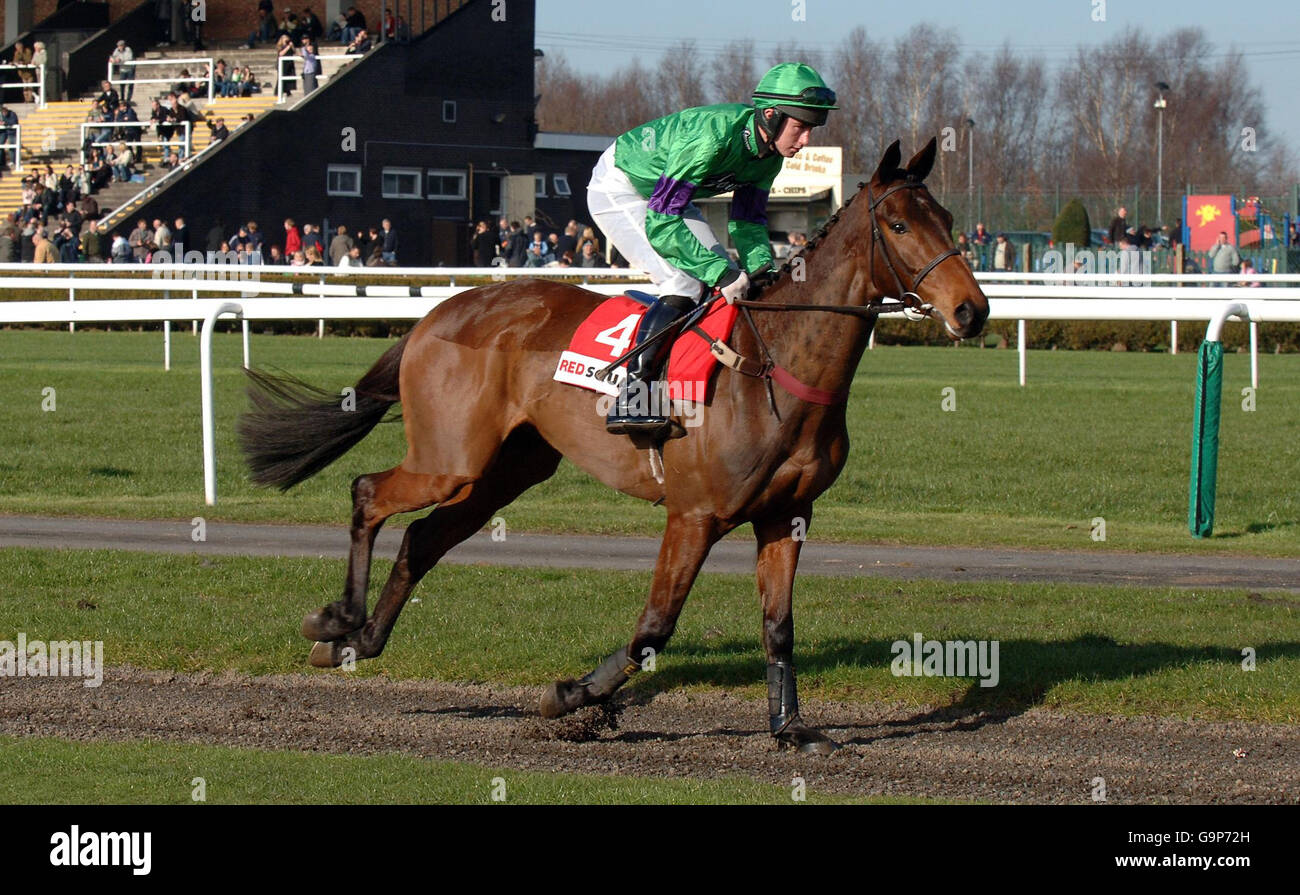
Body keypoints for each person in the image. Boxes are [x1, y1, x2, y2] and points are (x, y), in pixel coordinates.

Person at [586, 61, 837, 434]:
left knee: (728, 283)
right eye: (800, 128)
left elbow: (748, 222)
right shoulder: (712, 137)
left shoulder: (768, 156)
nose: (805, 141)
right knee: (686, 283)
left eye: (811, 129)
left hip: (664, 199)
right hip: (623, 188)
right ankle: (632, 394)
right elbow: (661, 222)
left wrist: (761, 271)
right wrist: (721, 272)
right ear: (770, 116)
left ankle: (691, 378)